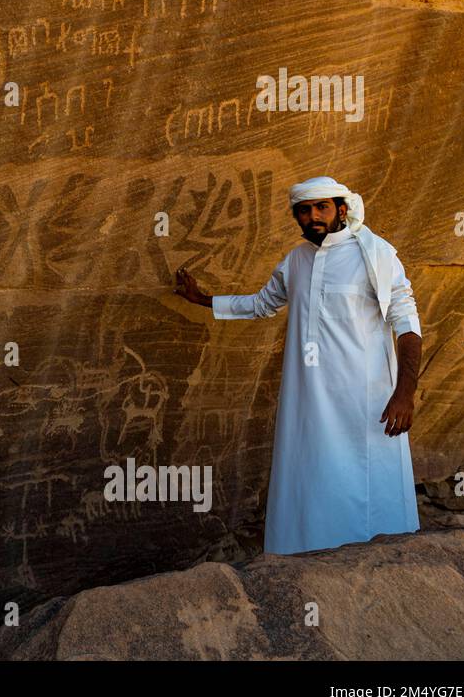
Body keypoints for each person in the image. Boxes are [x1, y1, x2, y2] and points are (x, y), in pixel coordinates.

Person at [173, 176, 423, 555]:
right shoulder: (295, 261)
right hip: (308, 400)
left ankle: (380, 562)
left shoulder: (376, 255)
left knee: (369, 482)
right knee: (313, 479)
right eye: (304, 211)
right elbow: (262, 303)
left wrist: (405, 393)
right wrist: (204, 300)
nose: (313, 217)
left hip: (364, 400)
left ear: (342, 210)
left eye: (322, 207)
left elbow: (407, 325)